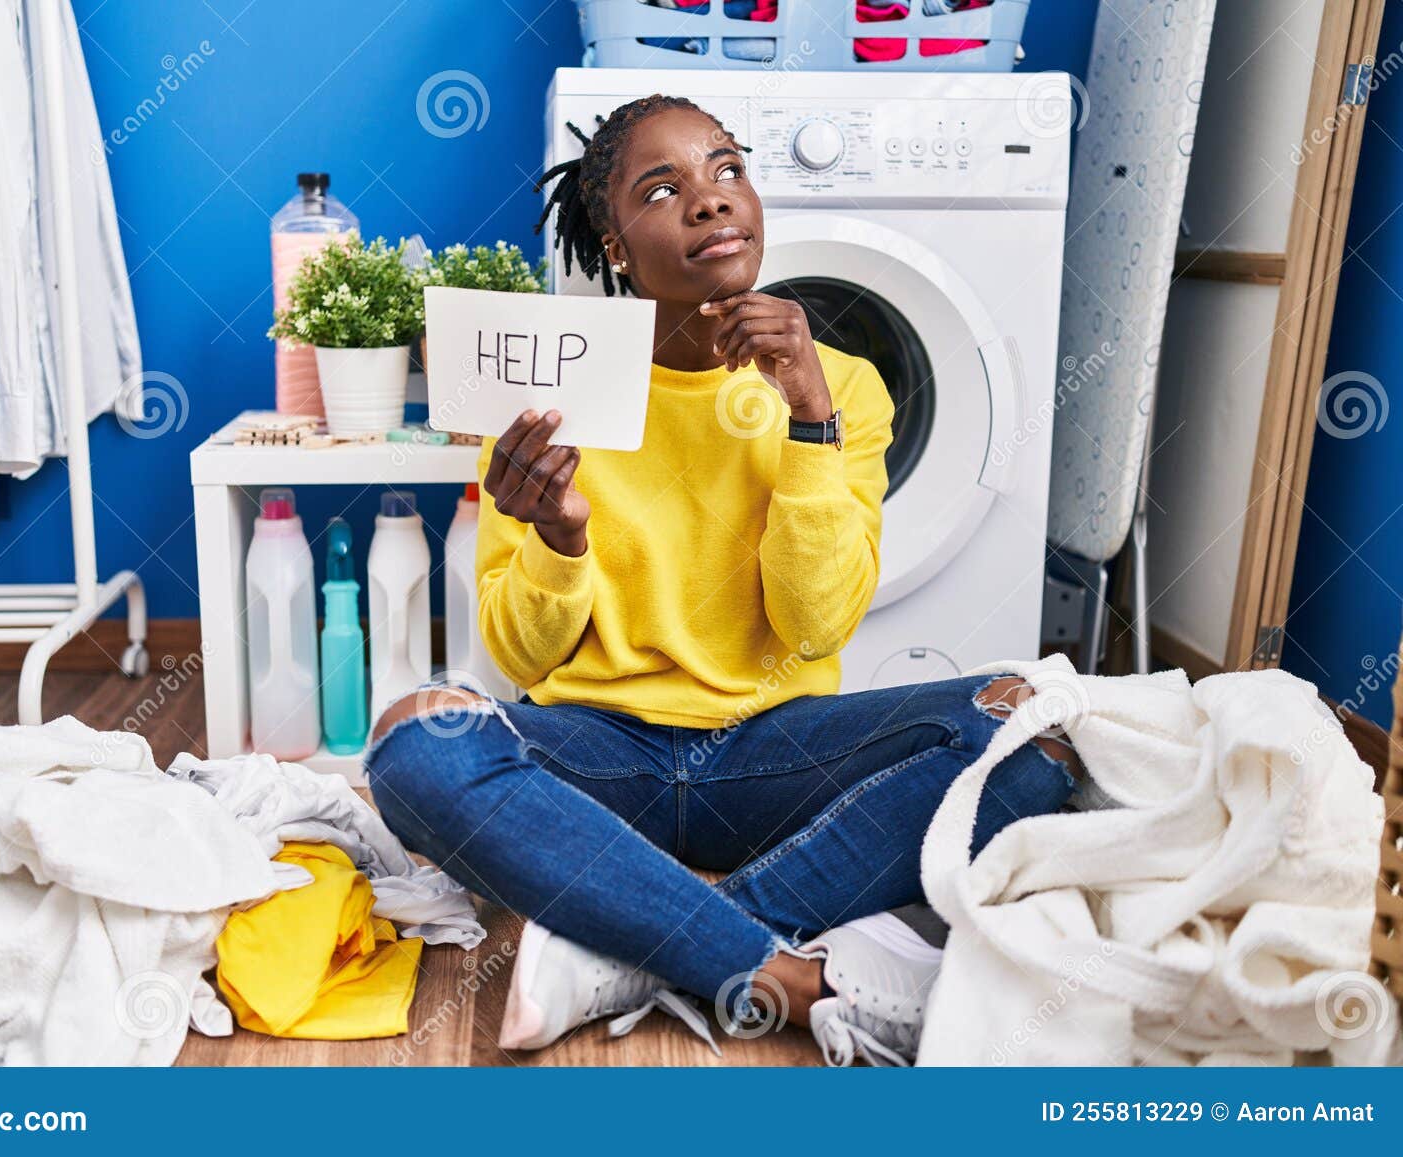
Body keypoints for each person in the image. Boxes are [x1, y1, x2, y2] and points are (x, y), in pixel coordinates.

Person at [365, 94, 1080, 1065]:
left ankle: (636, 947)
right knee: (415, 742)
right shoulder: (547, 387)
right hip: (599, 748)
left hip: (771, 751)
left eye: (728, 169)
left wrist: (810, 423)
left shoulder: (843, 386)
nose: (710, 201)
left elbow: (817, 624)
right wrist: (561, 539)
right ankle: (776, 971)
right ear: (615, 245)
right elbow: (519, 652)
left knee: (1028, 732)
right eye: (664, 189)